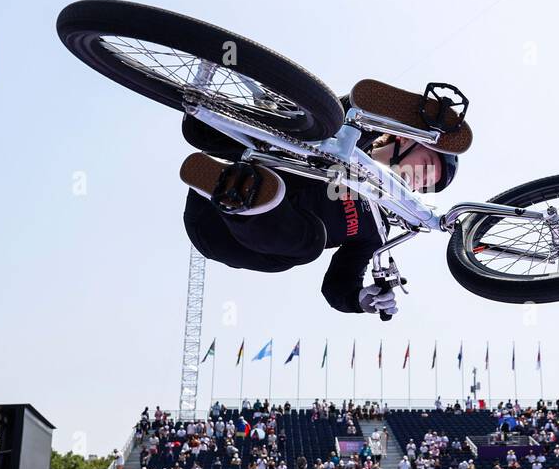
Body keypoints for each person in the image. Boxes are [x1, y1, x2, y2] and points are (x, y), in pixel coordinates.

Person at [179, 84, 464, 315]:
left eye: (425, 185)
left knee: (311, 244)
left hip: (221, 231)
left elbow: (338, 287)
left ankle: (240, 195)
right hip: (236, 160)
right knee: (322, 128)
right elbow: (348, 108)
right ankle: (208, 121)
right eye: (425, 164)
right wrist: (421, 117)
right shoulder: (352, 137)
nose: (418, 180)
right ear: (404, 140)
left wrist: (359, 299)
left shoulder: (375, 232)